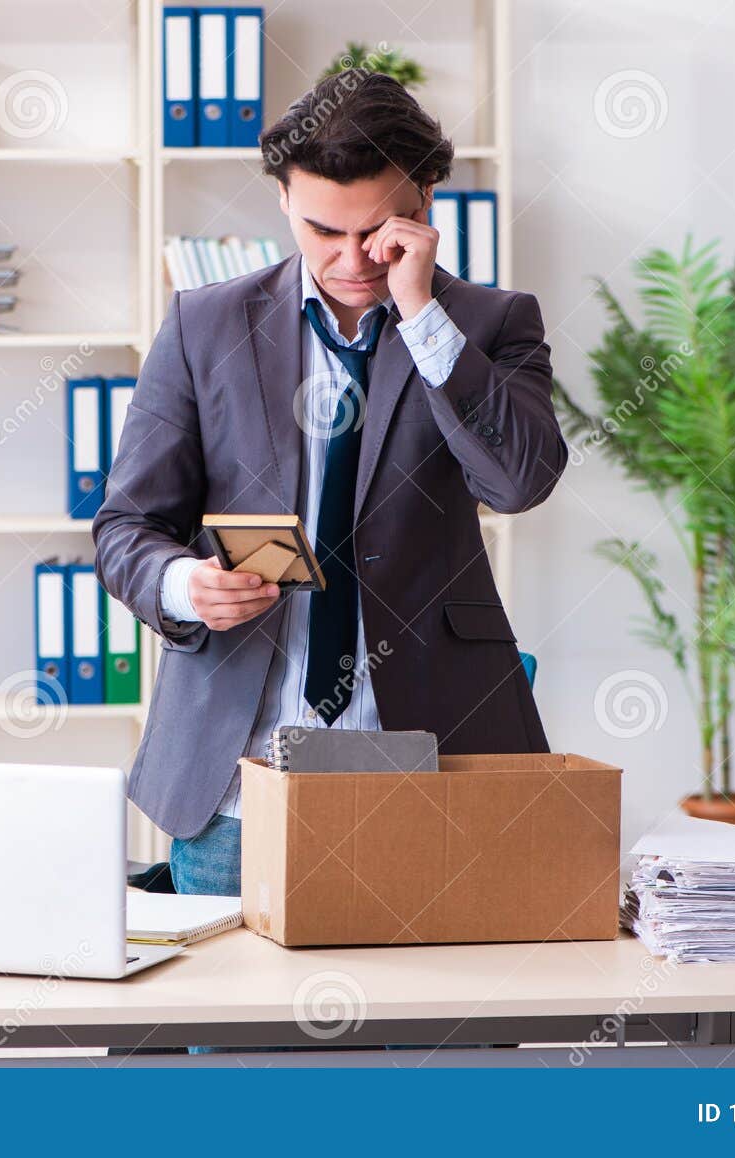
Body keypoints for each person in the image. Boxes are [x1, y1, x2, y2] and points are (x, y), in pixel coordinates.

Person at [93, 70, 567, 896]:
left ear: (423, 204)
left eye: (378, 231)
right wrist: (181, 584)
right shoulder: (204, 327)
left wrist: (423, 318)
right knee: (231, 1023)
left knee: (440, 1016)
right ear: (283, 199)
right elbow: (126, 526)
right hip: (238, 773)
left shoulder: (491, 324)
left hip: (434, 750)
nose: (352, 261)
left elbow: (520, 480)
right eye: (323, 230)